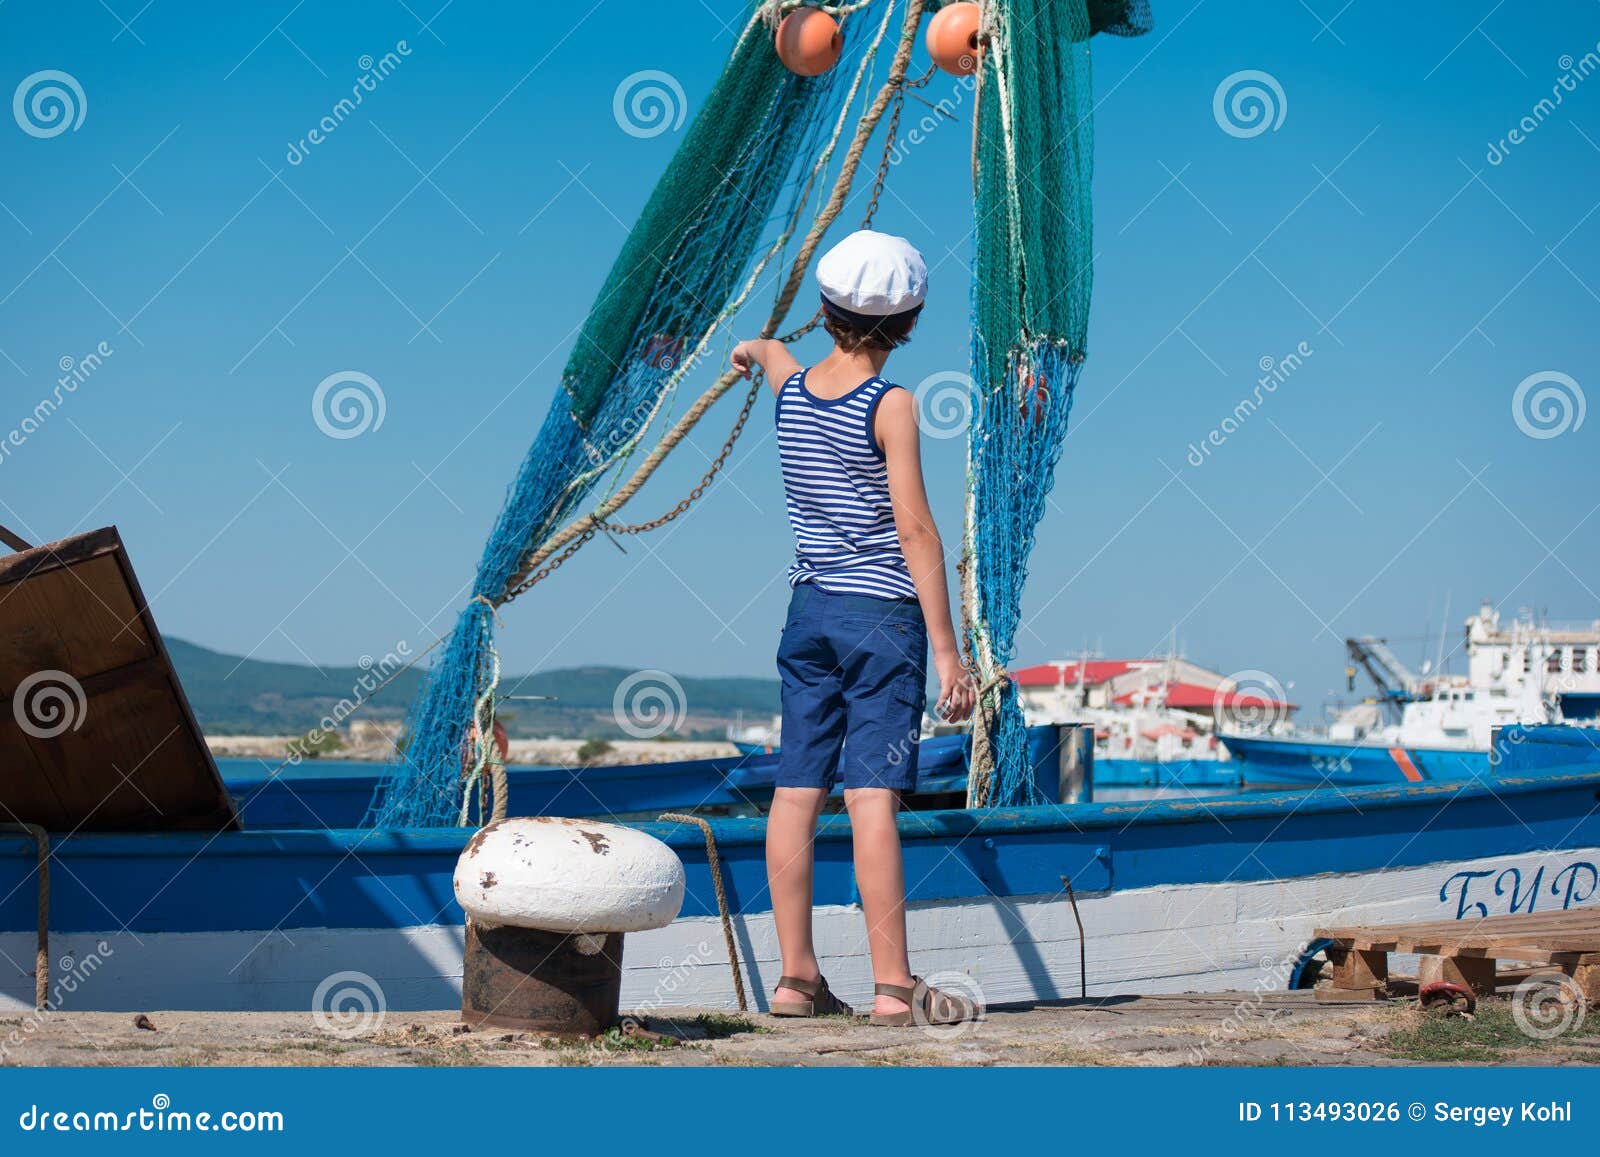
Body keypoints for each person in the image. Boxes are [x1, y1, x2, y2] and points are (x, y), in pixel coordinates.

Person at [730, 229, 978, 1028]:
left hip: (810, 617)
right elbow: (917, 534)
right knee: (873, 794)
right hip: (884, 622)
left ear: (825, 310)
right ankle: (890, 987)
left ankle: (795, 979)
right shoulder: (892, 405)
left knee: (796, 792)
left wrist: (755, 348)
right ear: (907, 323)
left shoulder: (792, 392)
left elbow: (771, 356)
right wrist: (950, 653)